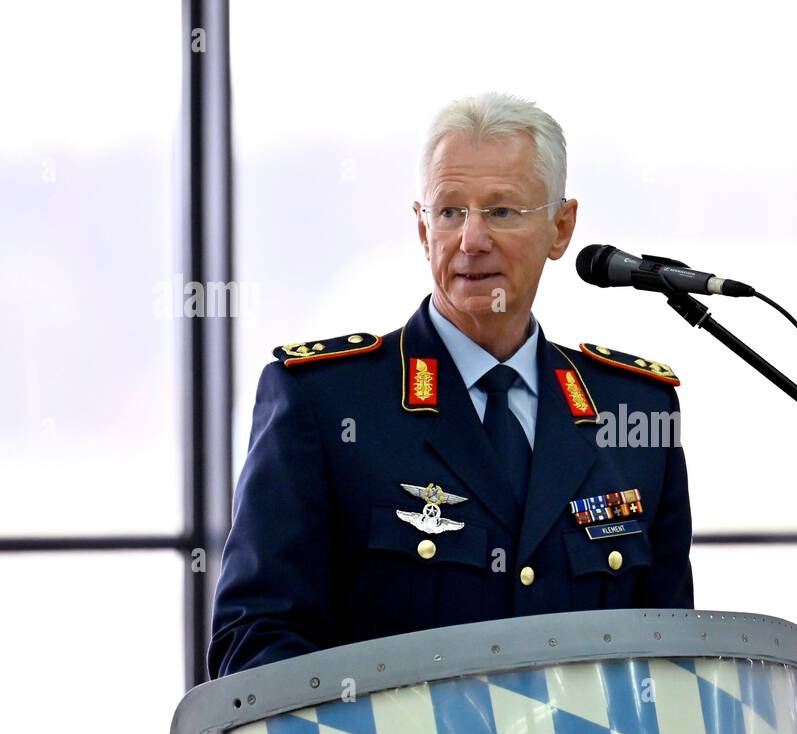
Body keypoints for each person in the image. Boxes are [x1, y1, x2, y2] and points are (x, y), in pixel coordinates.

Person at [208, 92, 693, 678]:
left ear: (561, 227)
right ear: (422, 228)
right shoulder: (323, 402)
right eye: (449, 212)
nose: (471, 240)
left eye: (502, 211)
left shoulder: (633, 408)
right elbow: (253, 645)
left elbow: (670, 663)